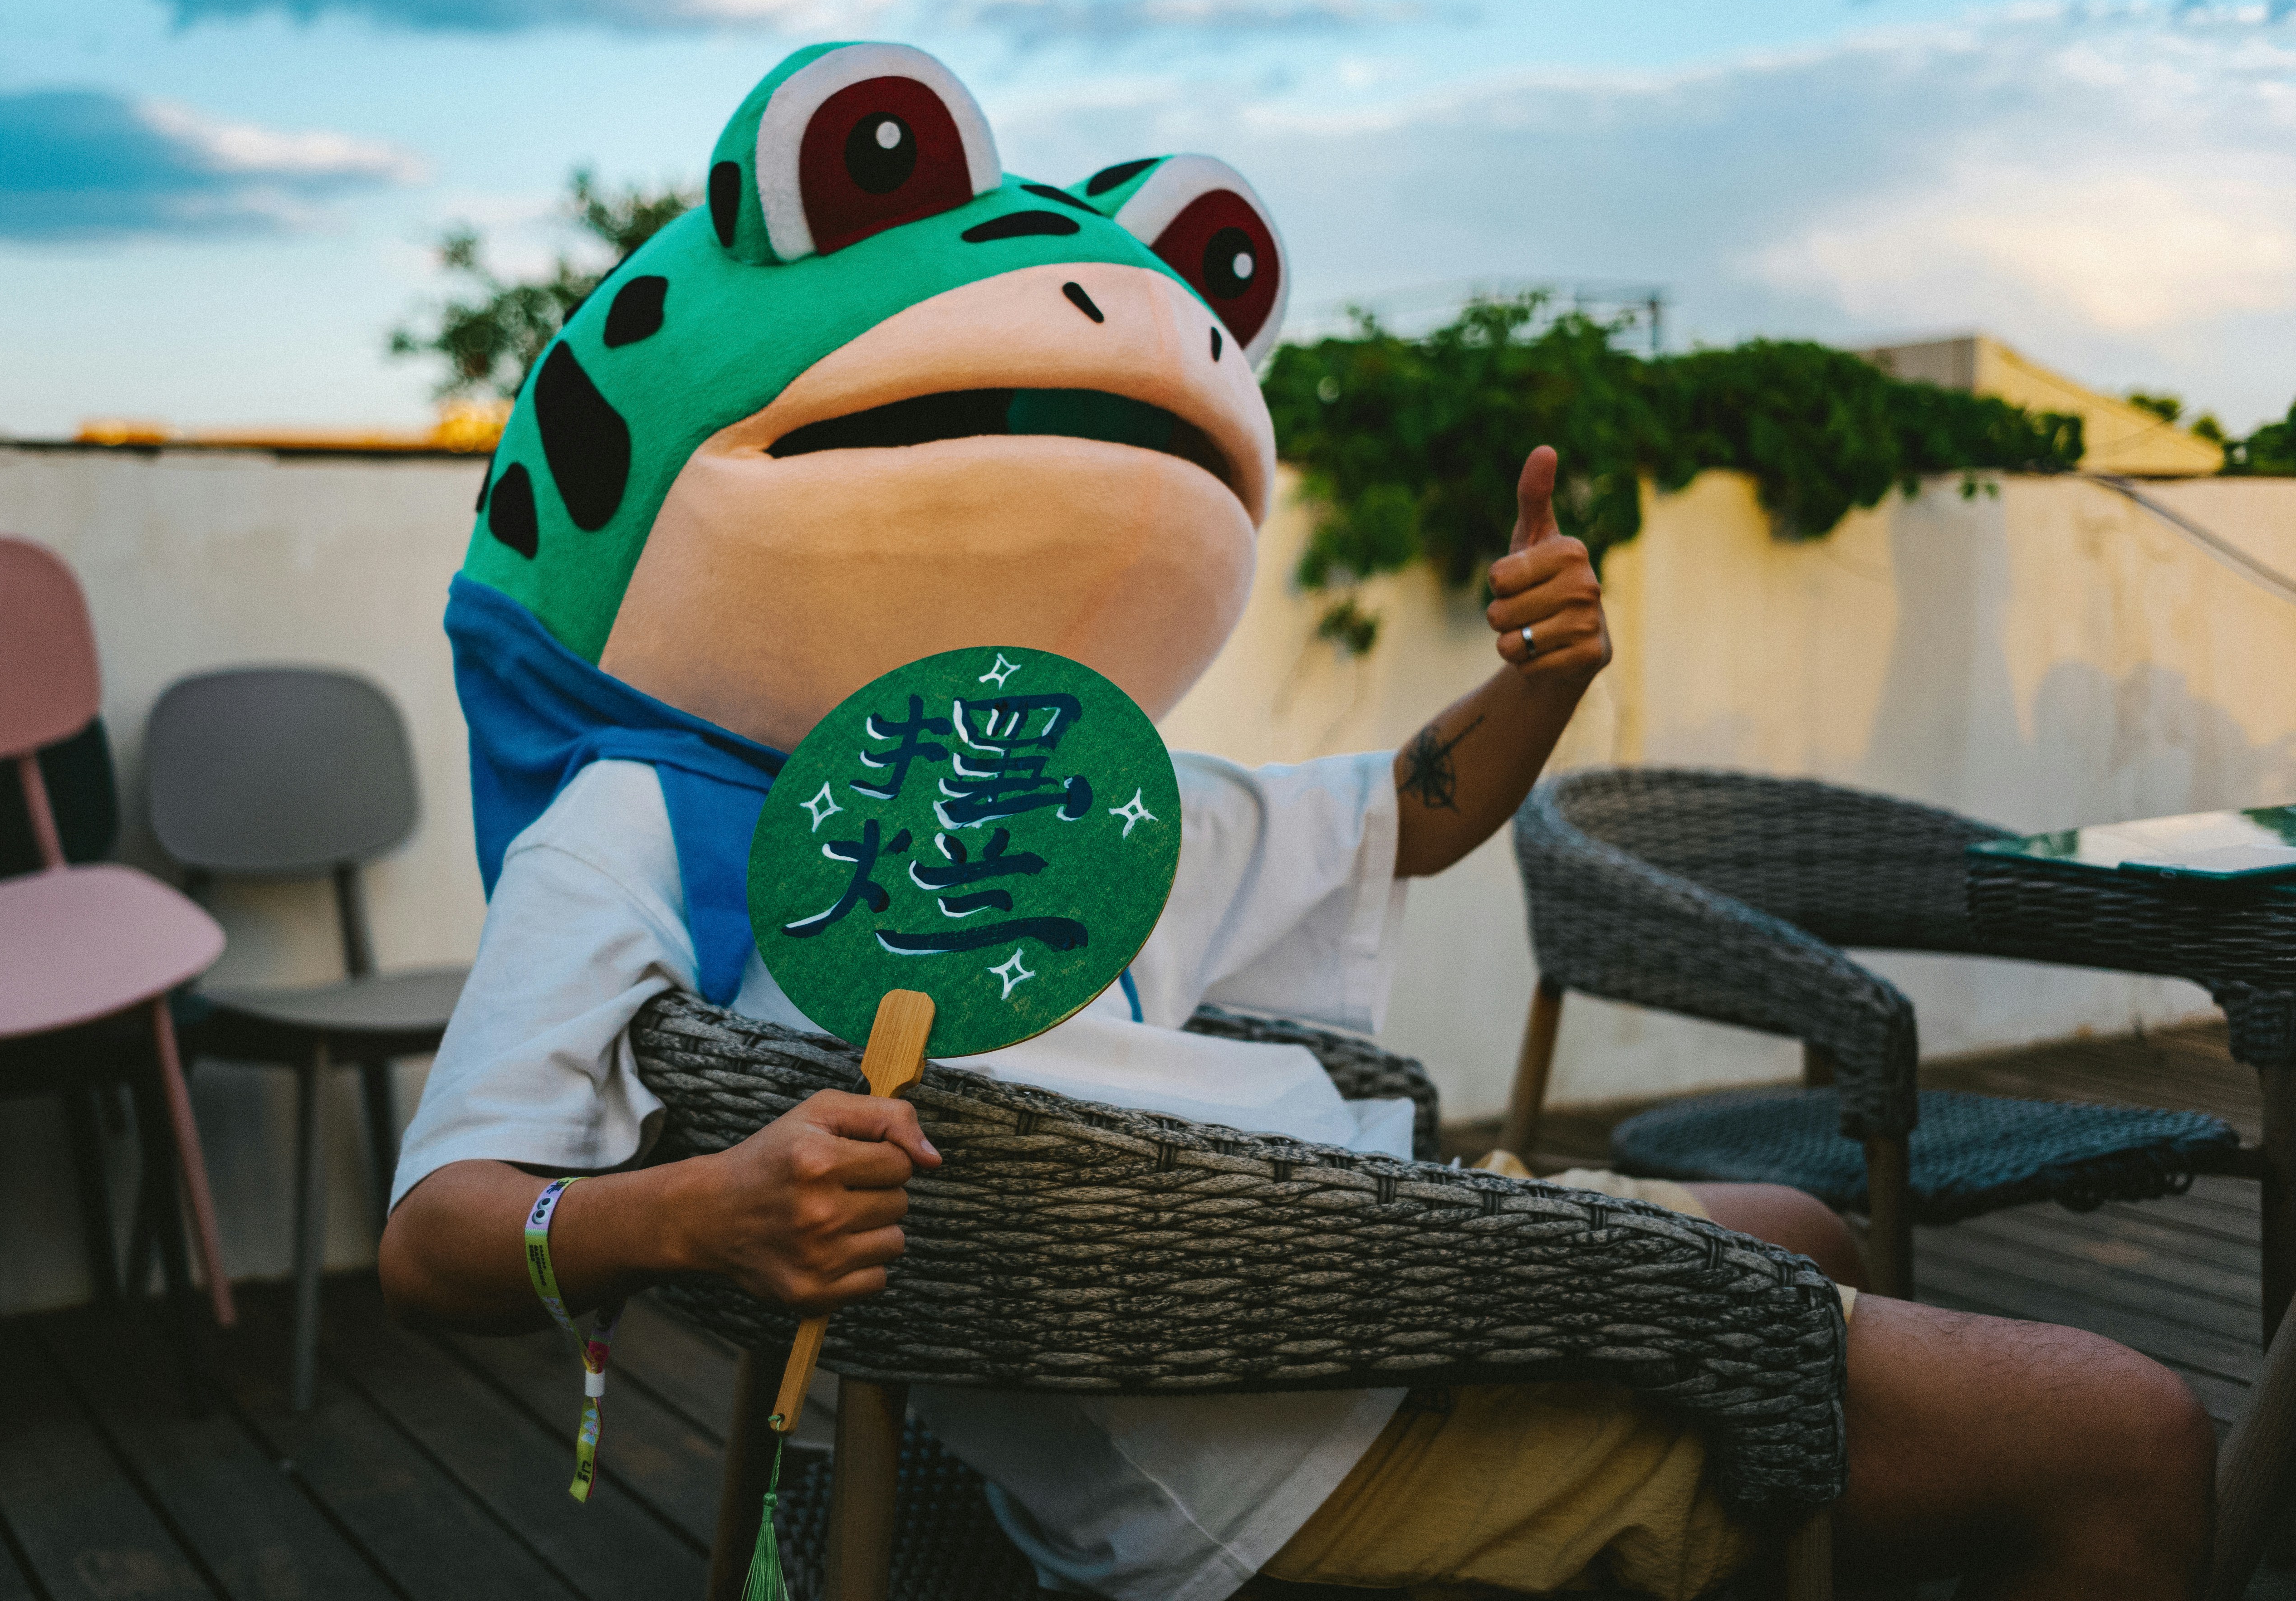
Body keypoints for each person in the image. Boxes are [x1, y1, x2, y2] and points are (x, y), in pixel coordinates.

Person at [384, 446, 2211, 1601]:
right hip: (1294, 1447)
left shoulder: (1039, 763)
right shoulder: (641, 818)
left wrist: (1539, 678)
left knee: (1805, 1229)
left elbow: (1408, 809)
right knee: (2124, 1435)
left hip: (1384, 1264)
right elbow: (437, 1239)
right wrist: (684, 1217)